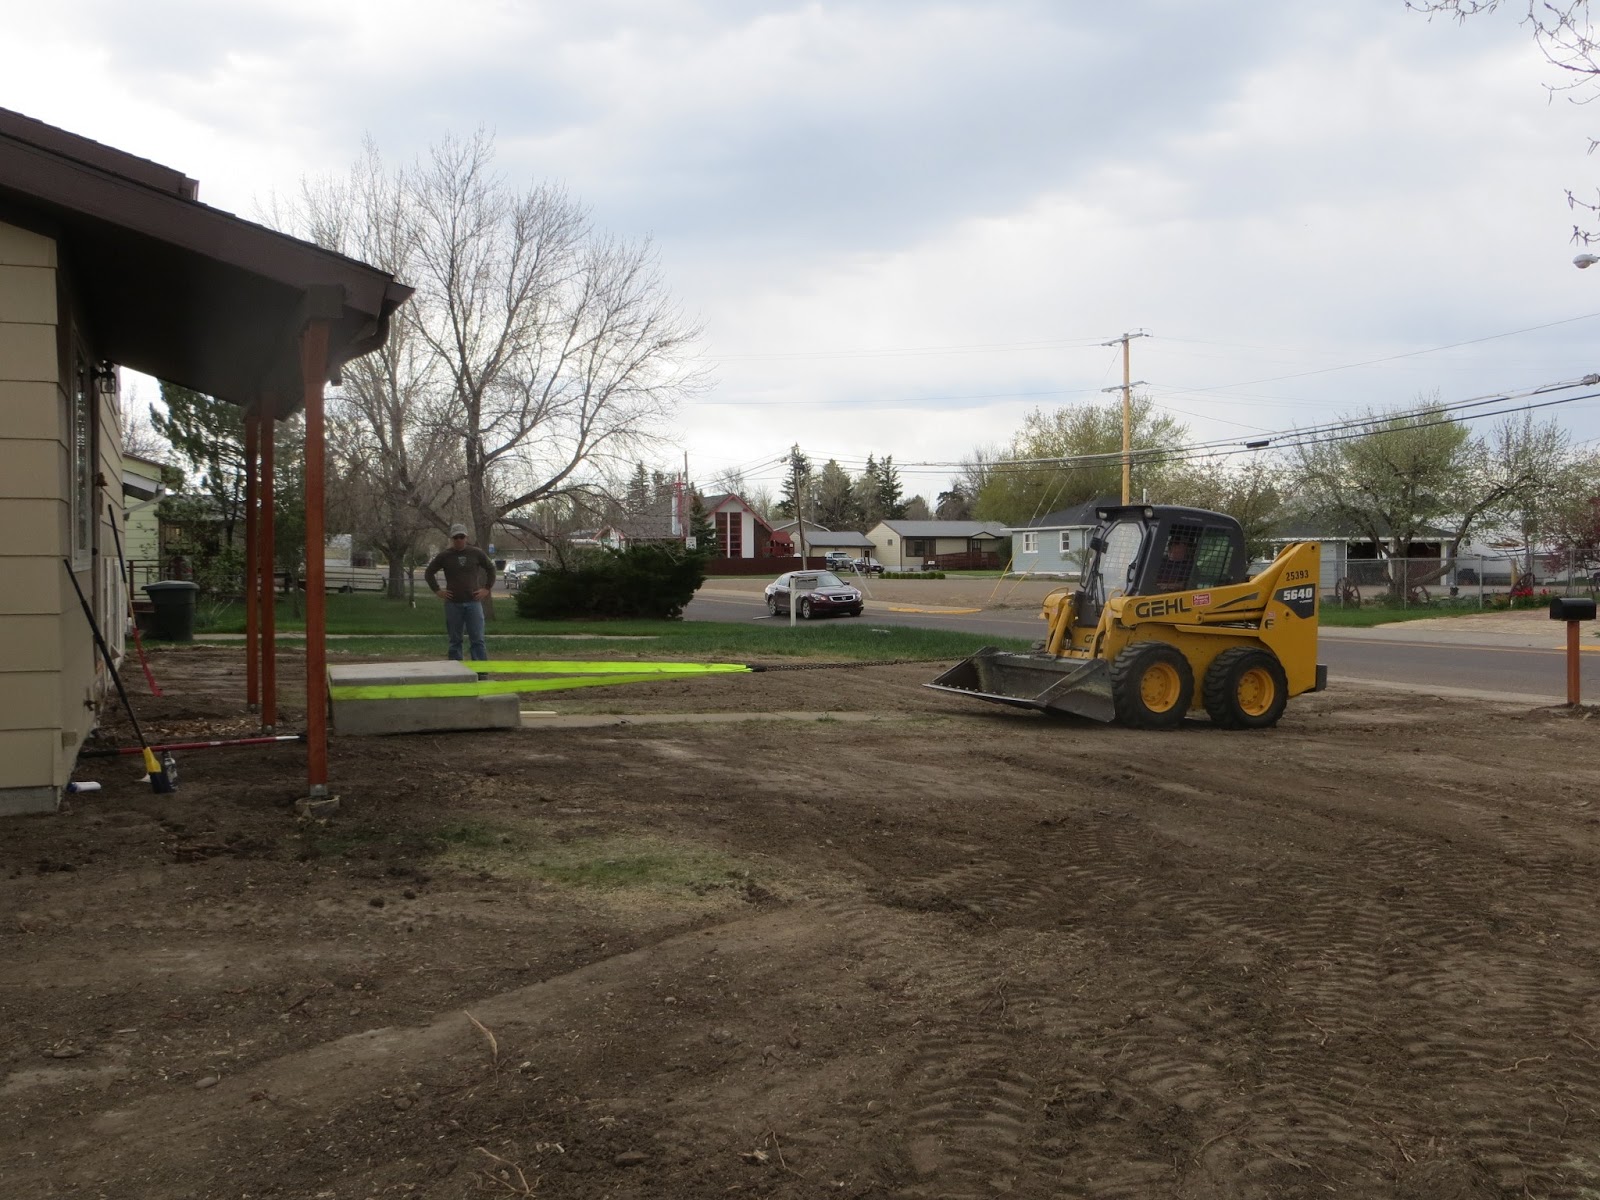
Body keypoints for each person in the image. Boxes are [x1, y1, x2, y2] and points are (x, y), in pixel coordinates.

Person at [424, 525, 496, 663]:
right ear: (452, 539)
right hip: (453, 604)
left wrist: (486, 588)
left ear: (466, 538)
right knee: (455, 640)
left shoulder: (476, 553)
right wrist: (438, 590)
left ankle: (481, 672)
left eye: (461, 537)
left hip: (473, 602)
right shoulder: (444, 556)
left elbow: (491, 568)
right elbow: (429, 573)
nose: (459, 540)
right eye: (456, 537)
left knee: (477, 639)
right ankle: (456, 671)